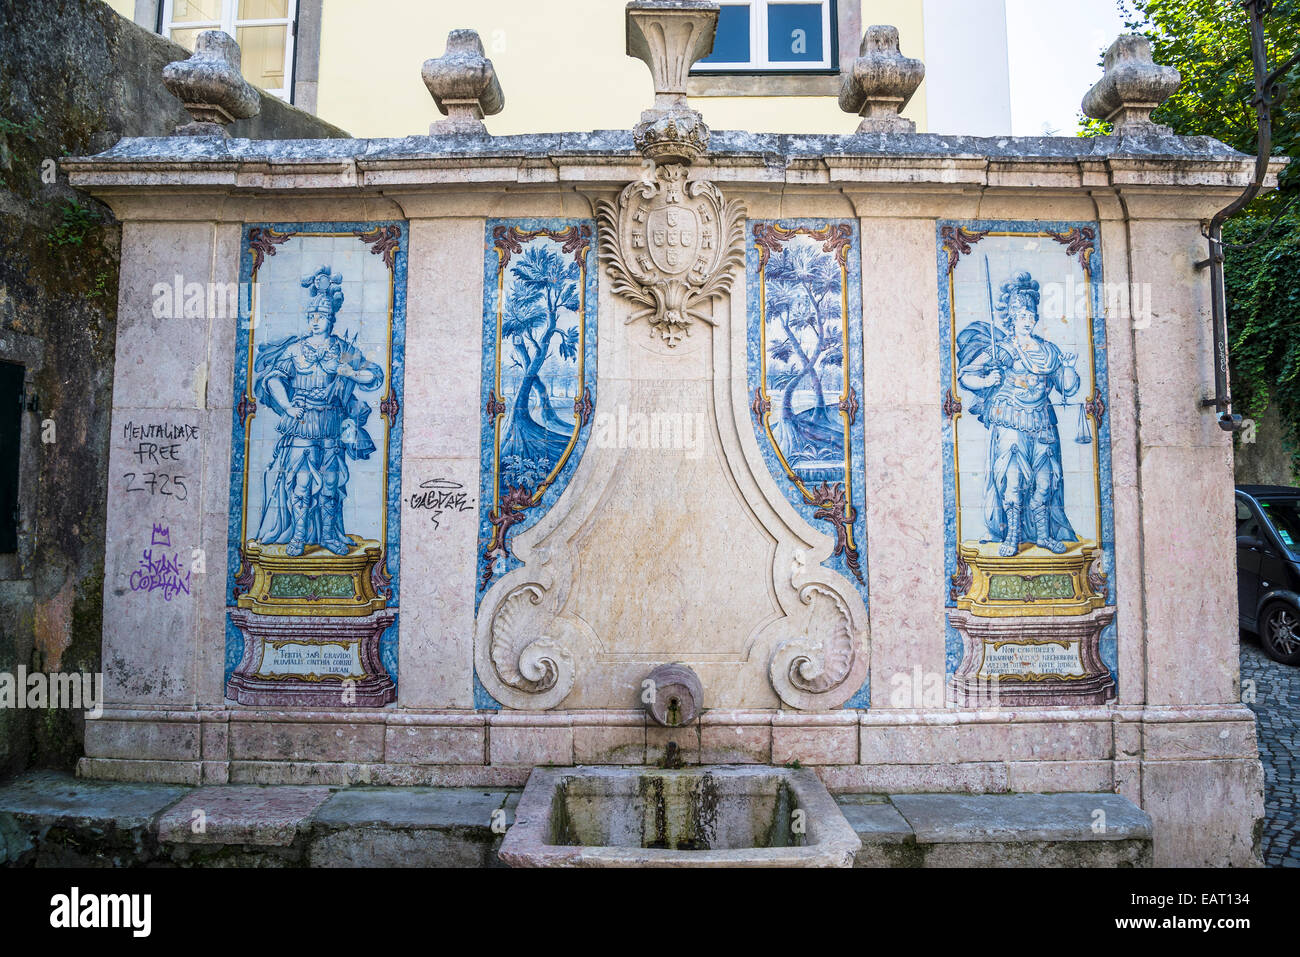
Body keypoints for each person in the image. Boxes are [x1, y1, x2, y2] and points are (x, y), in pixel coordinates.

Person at [252, 266, 383, 557]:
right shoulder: (297, 350)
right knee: (301, 483)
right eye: (311, 317)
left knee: (331, 482)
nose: (314, 322)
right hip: (302, 422)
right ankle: (298, 535)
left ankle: (327, 535)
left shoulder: (342, 349)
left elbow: (374, 376)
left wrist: (348, 371)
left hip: (332, 422)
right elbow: (273, 378)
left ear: (331, 319)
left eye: (320, 317)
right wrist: (287, 405)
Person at [957, 270, 1079, 556]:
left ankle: (1043, 535)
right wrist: (988, 381)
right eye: (1022, 315)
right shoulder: (1004, 349)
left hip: (1042, 420)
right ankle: (1011, 536)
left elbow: (1068, 387)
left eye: (1031, 315)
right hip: (1010, 416)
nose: (1028, 320)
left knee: (1046, 481)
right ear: (1011, 317)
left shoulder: (1048, 351)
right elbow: (966, 375)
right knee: (1013, 481)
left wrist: (1070, 367)